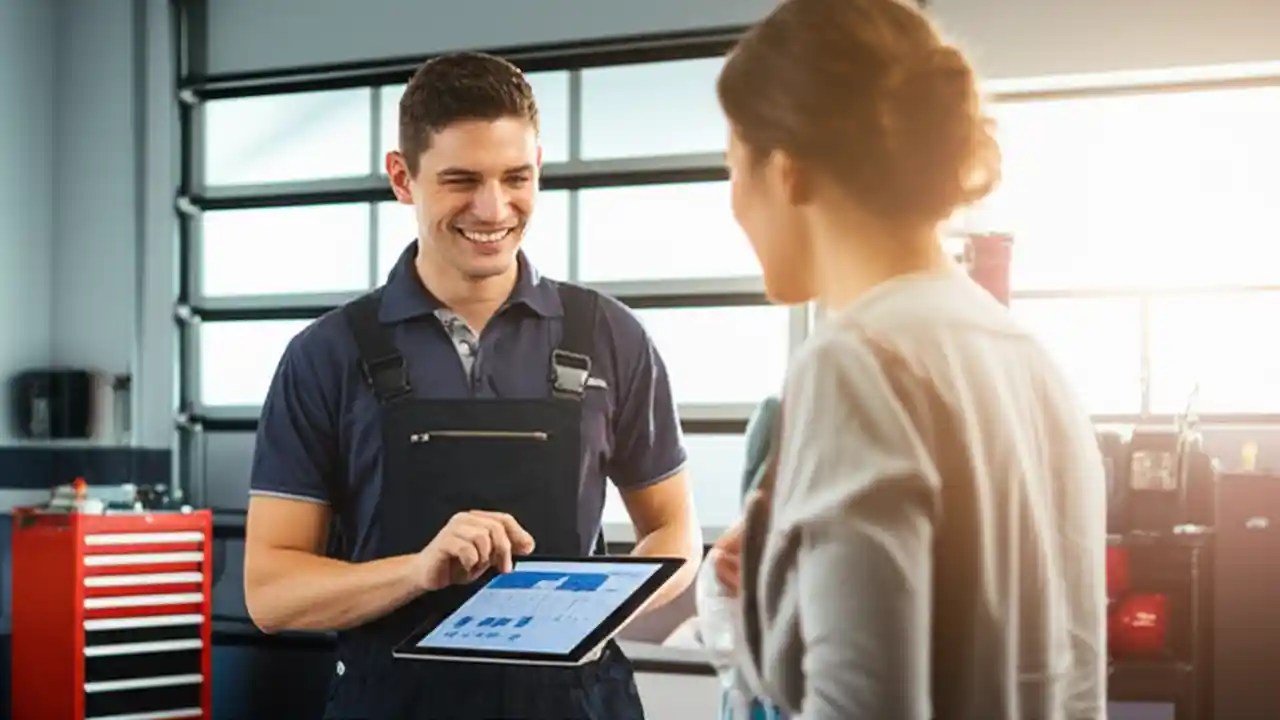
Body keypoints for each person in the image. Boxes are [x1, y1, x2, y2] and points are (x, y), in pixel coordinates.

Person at [243, 51, 702, 720]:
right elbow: (271, 590)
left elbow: (675, 535)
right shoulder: (327, 355)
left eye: (516, 177)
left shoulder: (610, 336)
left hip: (575, 704)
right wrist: (417, 570)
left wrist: (585, 613)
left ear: (538, 166)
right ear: (403, 178)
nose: (494, 209)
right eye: (461, 180)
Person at [709, 1, 1109, 718]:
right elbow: (1075, 684)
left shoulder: (854, 360)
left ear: (791, 171)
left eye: (735, 166)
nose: (733, 202)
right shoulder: (1030, 360)